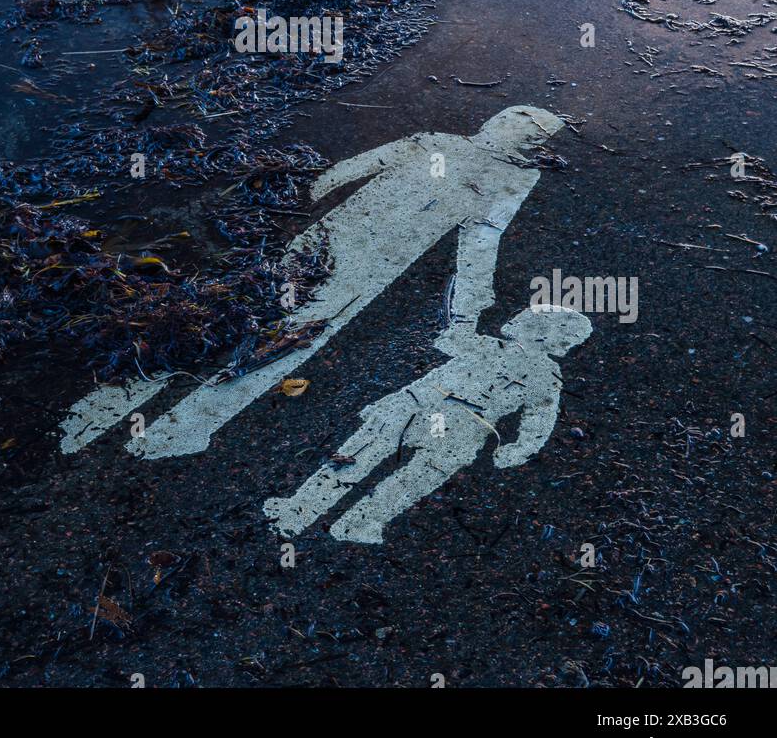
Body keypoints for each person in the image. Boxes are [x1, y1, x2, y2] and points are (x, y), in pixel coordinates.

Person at [124, 104, 565, 461]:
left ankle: (189, 422)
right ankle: (141, 397)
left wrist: (468, 301)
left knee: (293, 336)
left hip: (376, 260)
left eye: (526, 129)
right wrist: (311, 193)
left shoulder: (514, 177)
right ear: (492, 119)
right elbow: (362, 165)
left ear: (535, 144)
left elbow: (483, 235)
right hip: (330, 238)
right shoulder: (436, 142)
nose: (511, 128)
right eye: (510, 118)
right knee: (252, 310)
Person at [263, 304, 592, 543]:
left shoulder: (494, 350)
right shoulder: (547, 377)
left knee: (365, 453)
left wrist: (462, 315)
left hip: (423, 407)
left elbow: (449, 338)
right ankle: (358, 522)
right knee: (412, 476)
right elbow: (539, 418)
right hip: (459, 424)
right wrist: (519, 449)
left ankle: (302, 512)